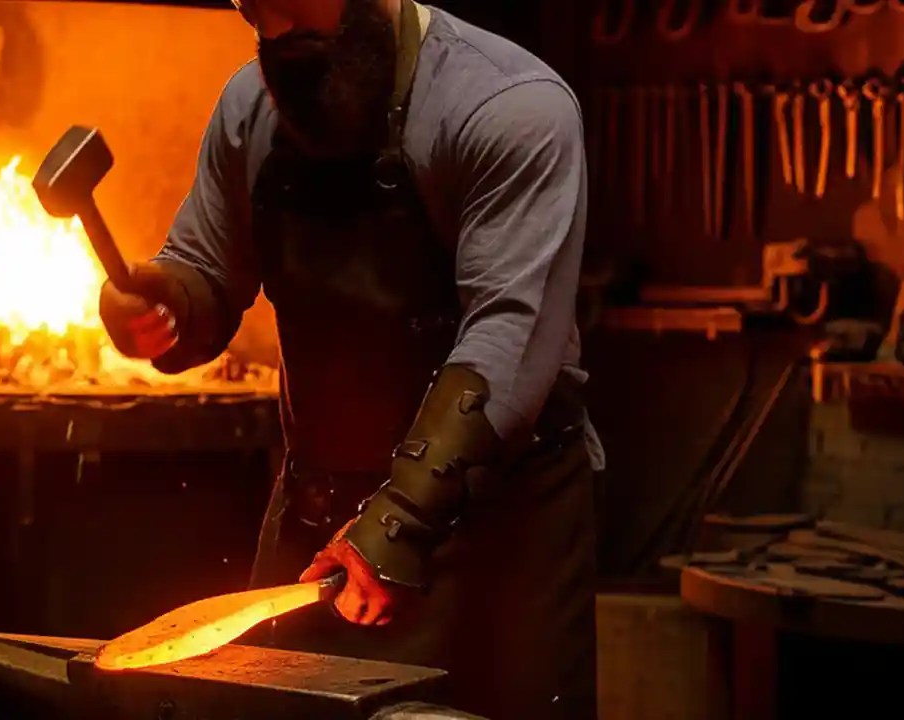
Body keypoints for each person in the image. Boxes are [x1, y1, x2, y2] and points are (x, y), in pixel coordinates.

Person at [98, 1, 602, 717]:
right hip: (318, 516)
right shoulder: (251, 107)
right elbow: (205, 264)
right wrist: (166, 303)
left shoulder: (509, 108)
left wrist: (397, 521)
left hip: (495, 529)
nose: (275, 30)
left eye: (295, 4)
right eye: (256, 10)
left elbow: (508, 343)